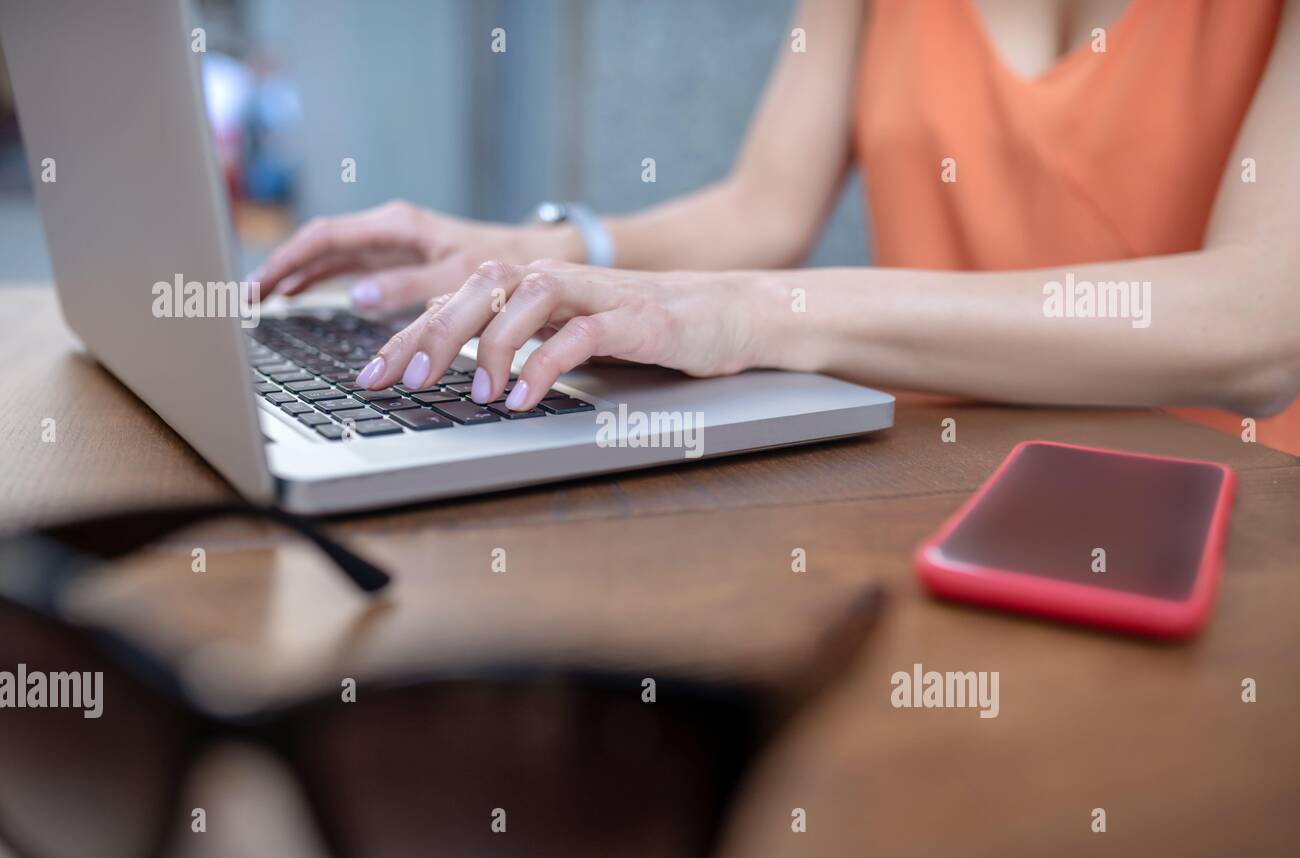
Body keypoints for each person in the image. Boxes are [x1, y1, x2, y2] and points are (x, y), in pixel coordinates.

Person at [250, 0, 1300, 451]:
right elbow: (764, 208)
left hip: (1234, 532)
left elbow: (1260, 326)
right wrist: (518, 255)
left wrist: (759, 315)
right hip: (927, 482)